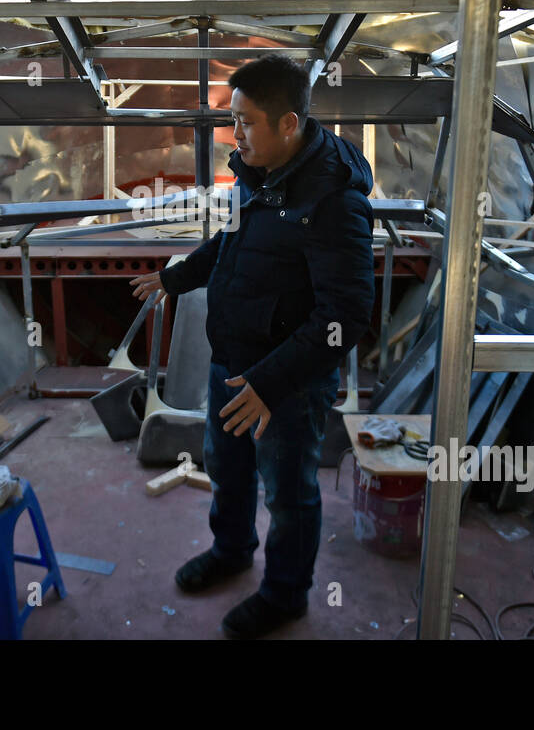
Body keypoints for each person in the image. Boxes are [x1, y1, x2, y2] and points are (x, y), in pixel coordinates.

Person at [130, 53, 375, 639]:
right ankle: (231, 550)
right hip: (233, 365)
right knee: (228, 468)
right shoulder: (259, 174)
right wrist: (176, 277)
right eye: (231, 121)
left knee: (289, 494)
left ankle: (285, 595)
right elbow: (231, 243)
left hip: (285, 385)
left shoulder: (334, 203)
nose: (233, 136)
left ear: (289, 123)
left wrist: (269, 382)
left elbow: (347, 315)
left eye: (245, 122)